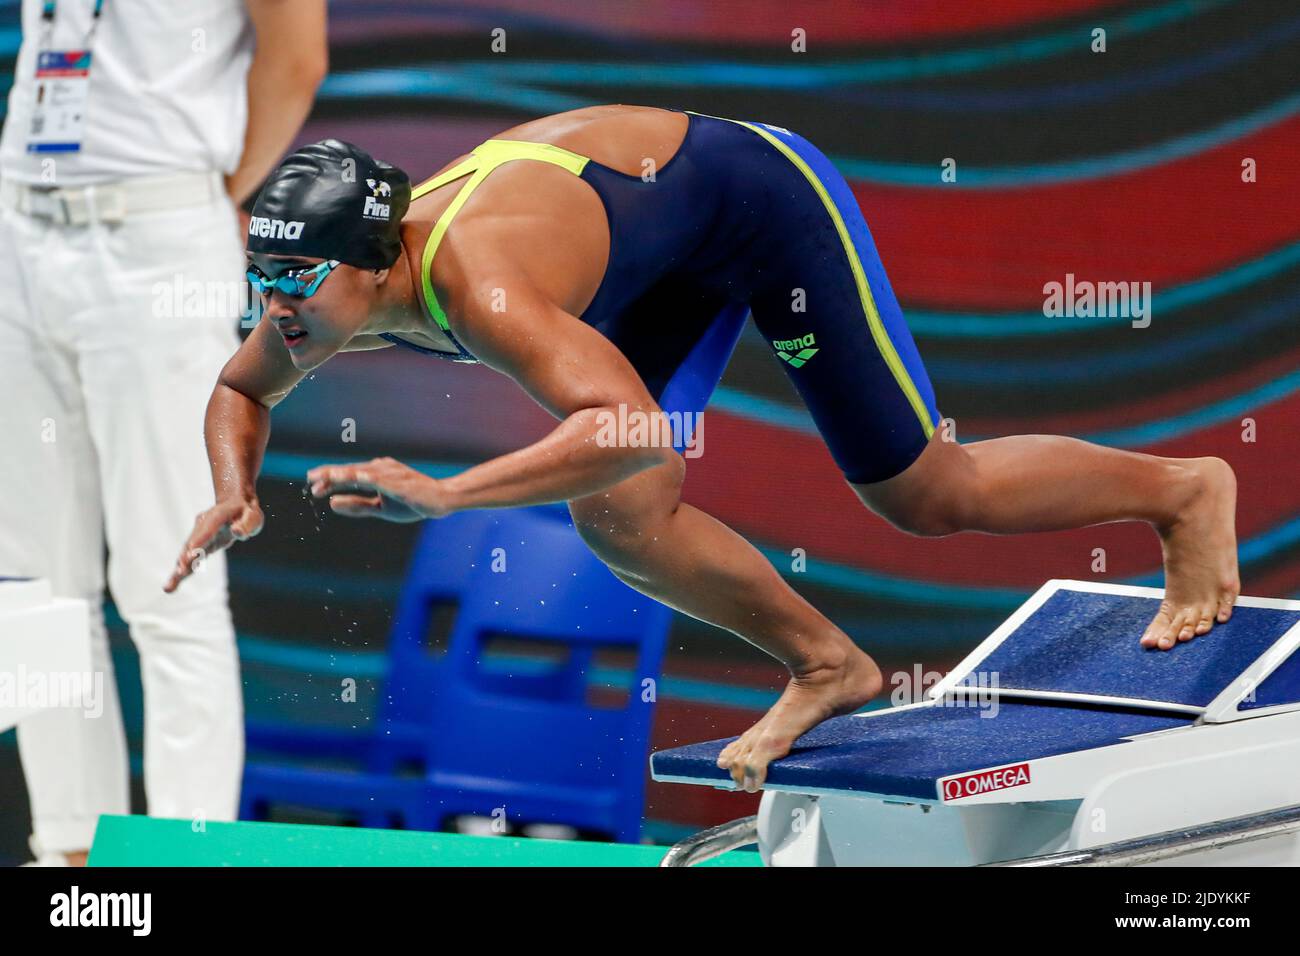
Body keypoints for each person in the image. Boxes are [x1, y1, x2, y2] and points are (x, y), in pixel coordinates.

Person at [165, 105, 1239, 793]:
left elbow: (618, 423)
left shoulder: (479, 286)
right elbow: (235, 386)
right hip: (642, 253)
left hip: (754, 200)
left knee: (922, 491)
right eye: (262, 282)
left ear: (369, 260)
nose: (273, 309)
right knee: (619, 510)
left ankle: (1185, 492)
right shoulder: (313, 299)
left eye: (293, 284)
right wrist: (233, 486)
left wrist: (447, 495)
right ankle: (830, 664)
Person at [0, 0, 326, 864]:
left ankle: (180, 859)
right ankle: (72, 850)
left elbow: (297, 59)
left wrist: (211, 197)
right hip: (19, 226)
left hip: (156, 234)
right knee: (36, 585)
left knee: (171, 581)